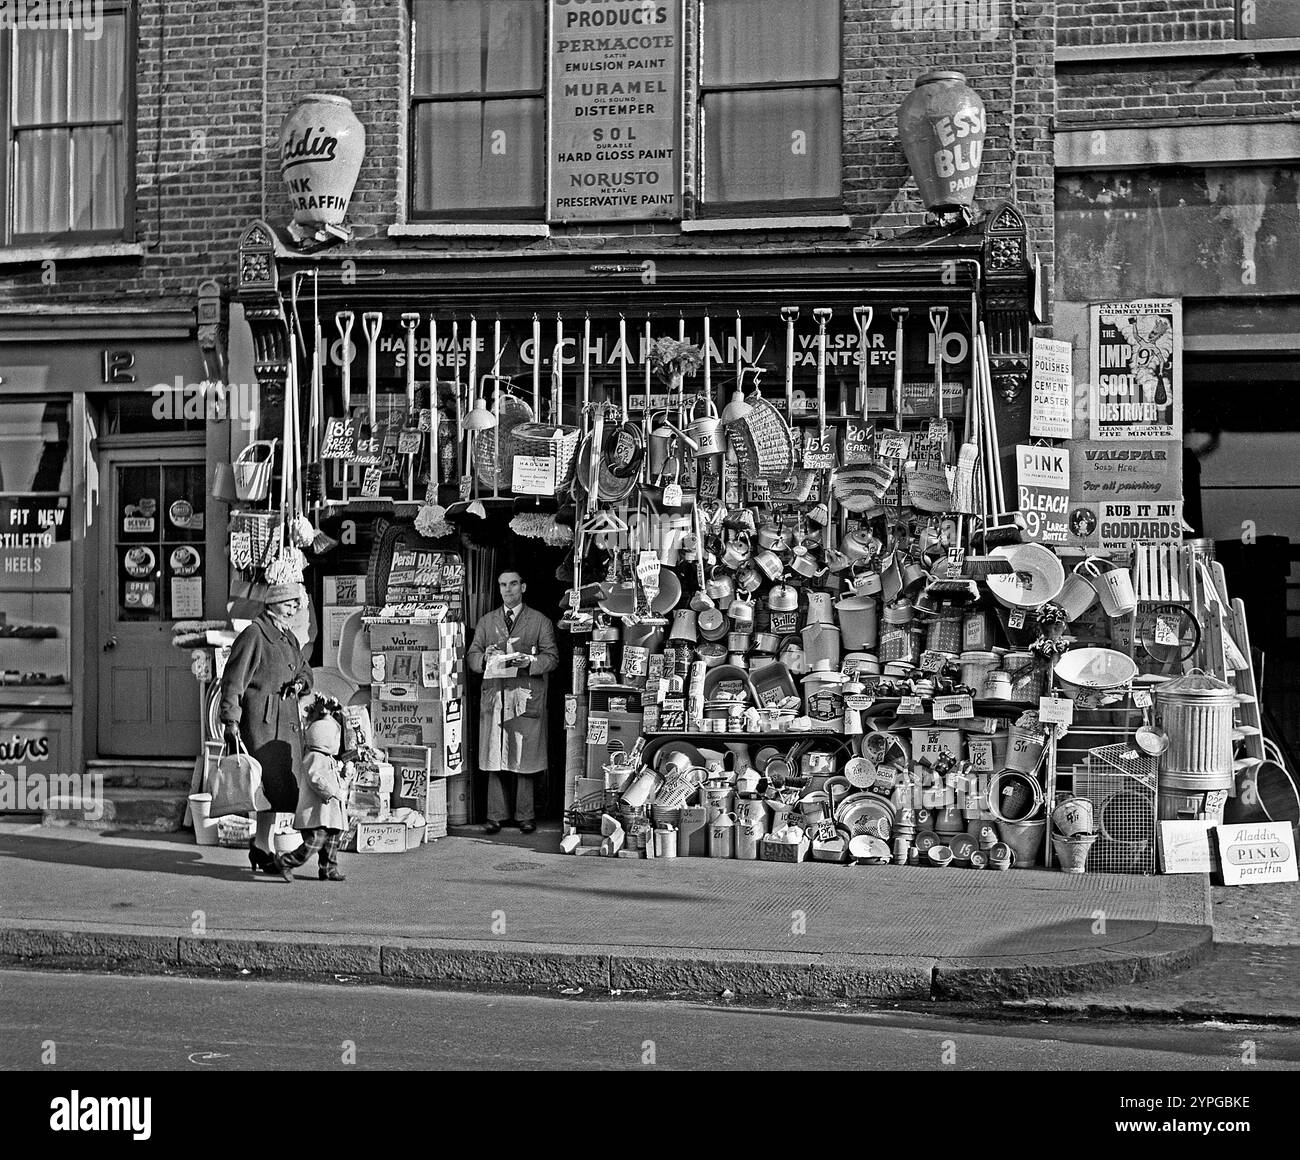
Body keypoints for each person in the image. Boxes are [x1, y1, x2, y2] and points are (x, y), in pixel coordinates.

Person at [218, 582, 314, 874]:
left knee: (275, 790)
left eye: (295, 604)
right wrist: (231, 719)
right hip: (261, 723)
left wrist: (300, 682)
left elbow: (304, 670)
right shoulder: (255, 635)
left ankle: (262, 847)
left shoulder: (288, 638)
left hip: (284, 726)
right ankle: (263, 847)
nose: (293, 608)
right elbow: (233, 680)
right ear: (272, 603)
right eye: (288, 603)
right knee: (268, 786)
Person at [466, 569, 559, 835]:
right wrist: (485, 657)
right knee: (494, 758)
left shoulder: (539, 621)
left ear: (524, 587)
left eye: (513, 584)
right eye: (503, 585)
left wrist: (530, 662)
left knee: (524, 759)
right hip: (496, 696)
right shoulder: (487, 621)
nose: (508, 590)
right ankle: (495, 816)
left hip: (523, 696)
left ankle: (525, 816)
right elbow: (472, 657)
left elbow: (552, 658)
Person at [271, 697, 349, 882]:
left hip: (327, 812)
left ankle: (328, 869)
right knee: (315, 840)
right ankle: (287, 861)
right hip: (316, 812)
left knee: (332, 838)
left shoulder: (326, 757)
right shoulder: (314, 757)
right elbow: (316, 779)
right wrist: (332, 792)